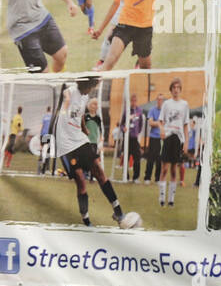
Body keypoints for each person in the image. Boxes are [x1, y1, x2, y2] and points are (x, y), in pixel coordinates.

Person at [53, 78, 126, 227]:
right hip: (66, 144)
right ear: (86, 84)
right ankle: (86, 220)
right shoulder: (71, 91)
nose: (92, 90)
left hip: (80, 139)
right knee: (80, 180)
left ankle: (118, 210)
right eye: (92, 87)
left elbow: (80, 116)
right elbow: (66, 98)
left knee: (99, 171)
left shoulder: (85, 97)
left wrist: (85, 131)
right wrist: (65, 107)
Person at [157, 77, 189, 207]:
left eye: (178, 88)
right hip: (168, 137)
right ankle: (161, 198)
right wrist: (162, 130)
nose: (176, 90)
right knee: (164, 169)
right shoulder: (166, 104)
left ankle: (171, 200)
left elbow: (186, 125)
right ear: (171, 90)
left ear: (180, 90)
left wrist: (186, 142)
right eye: (174, 88)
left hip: (178, 139)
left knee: (174, 170)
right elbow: (160, 121)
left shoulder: (185, 105)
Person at [144, 92, 164, 183]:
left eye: (161, 100)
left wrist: (157, 123)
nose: (160, 101)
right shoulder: (152, 110)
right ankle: (147, 178)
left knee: (159, 159)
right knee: (150, 158)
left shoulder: (165, 111)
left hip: (161, 138)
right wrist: (159, 123)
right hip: (153, 137)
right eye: (159, 99)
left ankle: (157, 179)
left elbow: (166, 123)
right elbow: (150, 123)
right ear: (157, 100)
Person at [126, 93, 144, 182]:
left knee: (137, 157)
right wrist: (123, 129)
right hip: (127, 138)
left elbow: (141, 124)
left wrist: (137, 132)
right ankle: (126, 176)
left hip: (135, 138)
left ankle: (136, 177)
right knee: (126, 157)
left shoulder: (139, 111)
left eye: (135, 101)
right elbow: (122, 123)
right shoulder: (127, 111)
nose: (133, 102)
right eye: (132, 101)